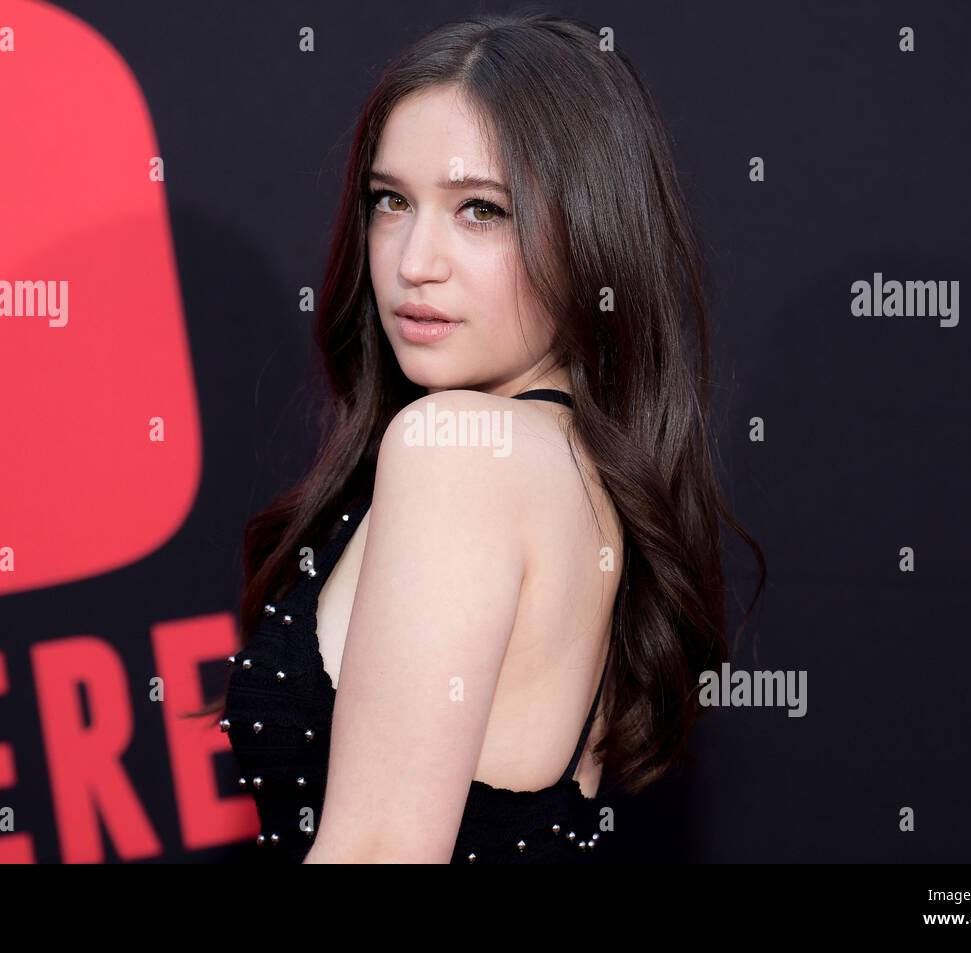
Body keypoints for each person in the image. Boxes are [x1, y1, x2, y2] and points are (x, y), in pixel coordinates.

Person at [195, 10, 765, 863]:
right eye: (391, 202)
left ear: (590, 233)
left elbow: (380, 850)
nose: (414, 259)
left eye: (482, 211)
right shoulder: (573, 468)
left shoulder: (458, 449)